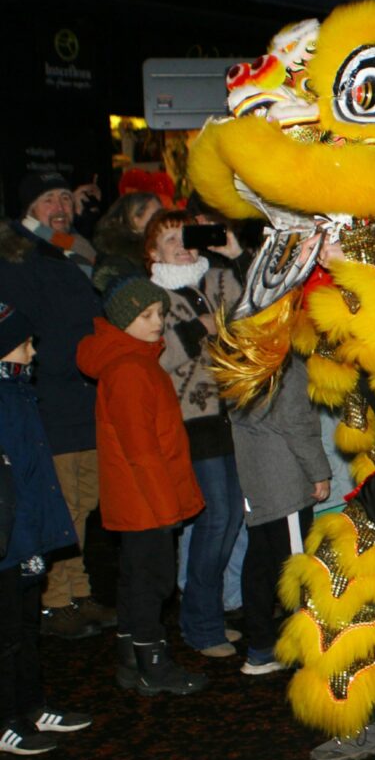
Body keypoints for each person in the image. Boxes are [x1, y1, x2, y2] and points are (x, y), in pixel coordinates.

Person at [76, 277, 207, 697]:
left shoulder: (134, 360)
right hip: (147, 501)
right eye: (146, 315)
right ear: (122, 320)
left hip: (141, 499)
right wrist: (166, 508)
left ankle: (132, 661)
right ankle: (154, 665)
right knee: (152, 582)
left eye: (160, 314)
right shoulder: (130, 368)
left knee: (138, 580)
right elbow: (142, 450)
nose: (158, 322)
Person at [0, 171, 112, 640]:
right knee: (62, 505)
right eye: (48, 198)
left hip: (85, 399)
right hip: (50, 400)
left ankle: (79, 591)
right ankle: (55, 600)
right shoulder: (17, 259)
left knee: (84, 505)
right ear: (29, 209)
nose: (60, 205)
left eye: (65, 197)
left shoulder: (75, 252)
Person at [143, 210, 246, 658]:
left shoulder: (214, 283)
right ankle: (200, 626)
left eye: (186, 237)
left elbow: (255, 306)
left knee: (232, 520)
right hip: (191, 423)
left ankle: (209, 616)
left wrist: (235, 252)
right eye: (169, 239)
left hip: (230, 419)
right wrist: (199, 327)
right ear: (151, 252)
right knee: (215, 519)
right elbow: (156, 358)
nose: (182, 246)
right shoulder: (151, 294)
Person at [0, 301, 91, 754]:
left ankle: (31, 705)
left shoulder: (17, 392)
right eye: (25, 344)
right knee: (6, 636)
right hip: (7, 538)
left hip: (24, 535)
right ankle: (6, 720)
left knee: (25, 629)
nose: (33, 352)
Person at [229, 358, 330, 676]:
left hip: (257, 480)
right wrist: (319, 472)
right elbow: (297, 423)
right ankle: (310, 650)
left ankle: (260, 647)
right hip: (284, 484)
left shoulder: (241, 362)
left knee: (259, 563)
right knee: (296, 568)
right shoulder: (283, 367)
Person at [90, 191, 163, 288]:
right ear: (135, 218)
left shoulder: (151, 251)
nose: (162, 220)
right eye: (156, 216)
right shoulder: (118, 262)